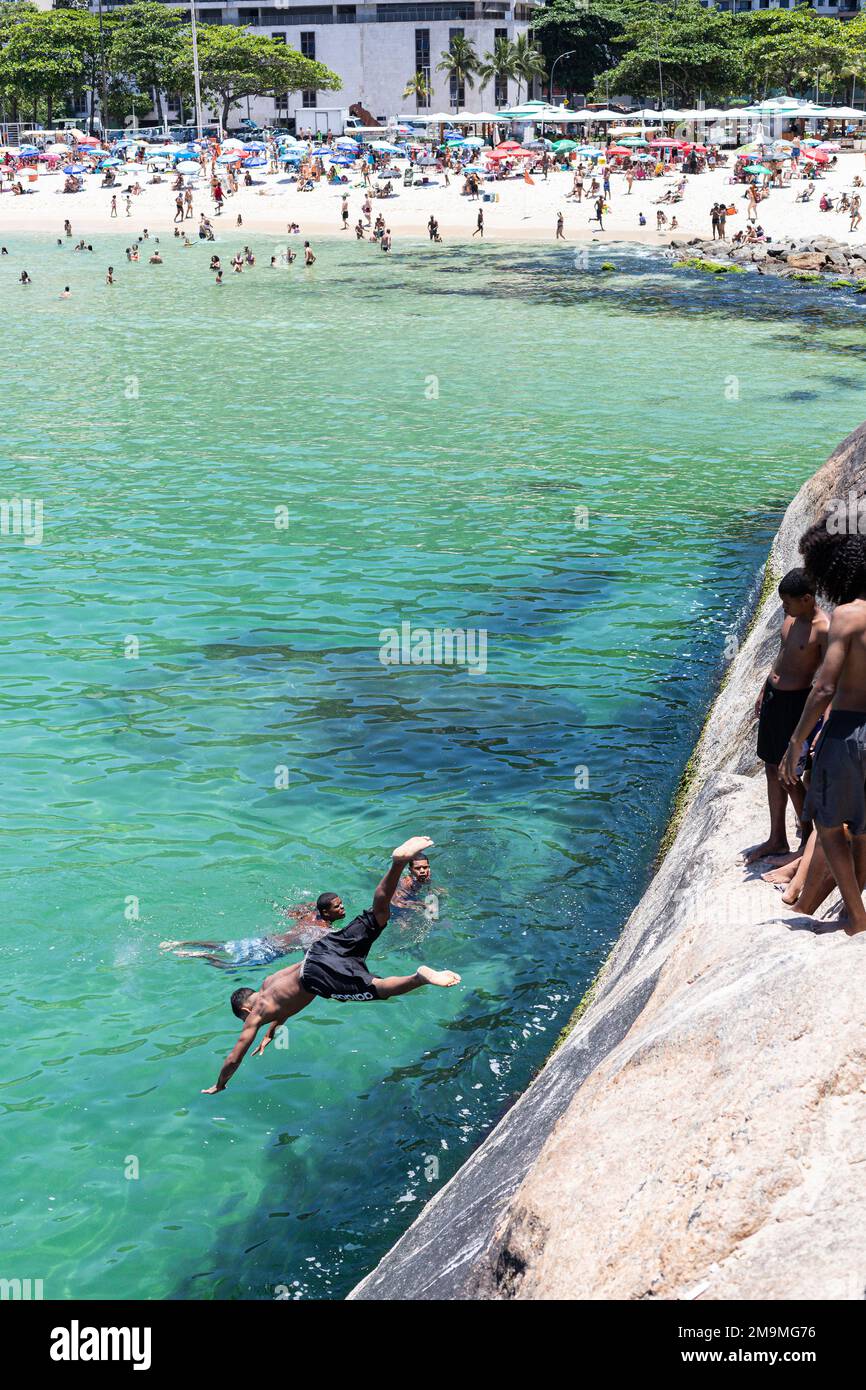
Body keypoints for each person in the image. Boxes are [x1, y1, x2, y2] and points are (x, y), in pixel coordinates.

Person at [201, 837, 461, 1093]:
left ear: (245, 1009)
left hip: (317, 975)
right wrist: (272, 1031)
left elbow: (234, 1058)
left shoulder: (254, 1017)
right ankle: (397, 863)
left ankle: (420, 977)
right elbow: (286, 1003)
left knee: (378, 988)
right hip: (320, 951)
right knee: (380, 914)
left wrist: (220, 1084)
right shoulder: (268, 984)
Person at [780, 522, 866, 935]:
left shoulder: (848, 617)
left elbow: (825, 686)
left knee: (830, 823)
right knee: (864, 825)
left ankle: (855, 914)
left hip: (848, 730)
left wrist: (797, 741)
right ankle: (856, 907)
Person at [747, 569, 828, 864]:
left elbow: (831, 679)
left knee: (790, 774)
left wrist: (824, 721)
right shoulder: (791, 619)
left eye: (789, 603)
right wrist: (762, 690)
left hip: (796, 704)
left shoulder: (823, 629)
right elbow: (780, 657)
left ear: (807, 599)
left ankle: (806, 844)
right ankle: (777, 837)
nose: (784, 608)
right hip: (773, 698)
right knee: (771, 768)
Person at [161, 900, 334, 969]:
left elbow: (290, 913)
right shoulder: (324, 931)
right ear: (327, 912)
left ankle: (180, 943)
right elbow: (309, 953)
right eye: (339, 907)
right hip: (273, 951)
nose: (342, 909)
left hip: (268, 939)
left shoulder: (311, 915)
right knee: (229, 965)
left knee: (224, 945)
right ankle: (201, 955)